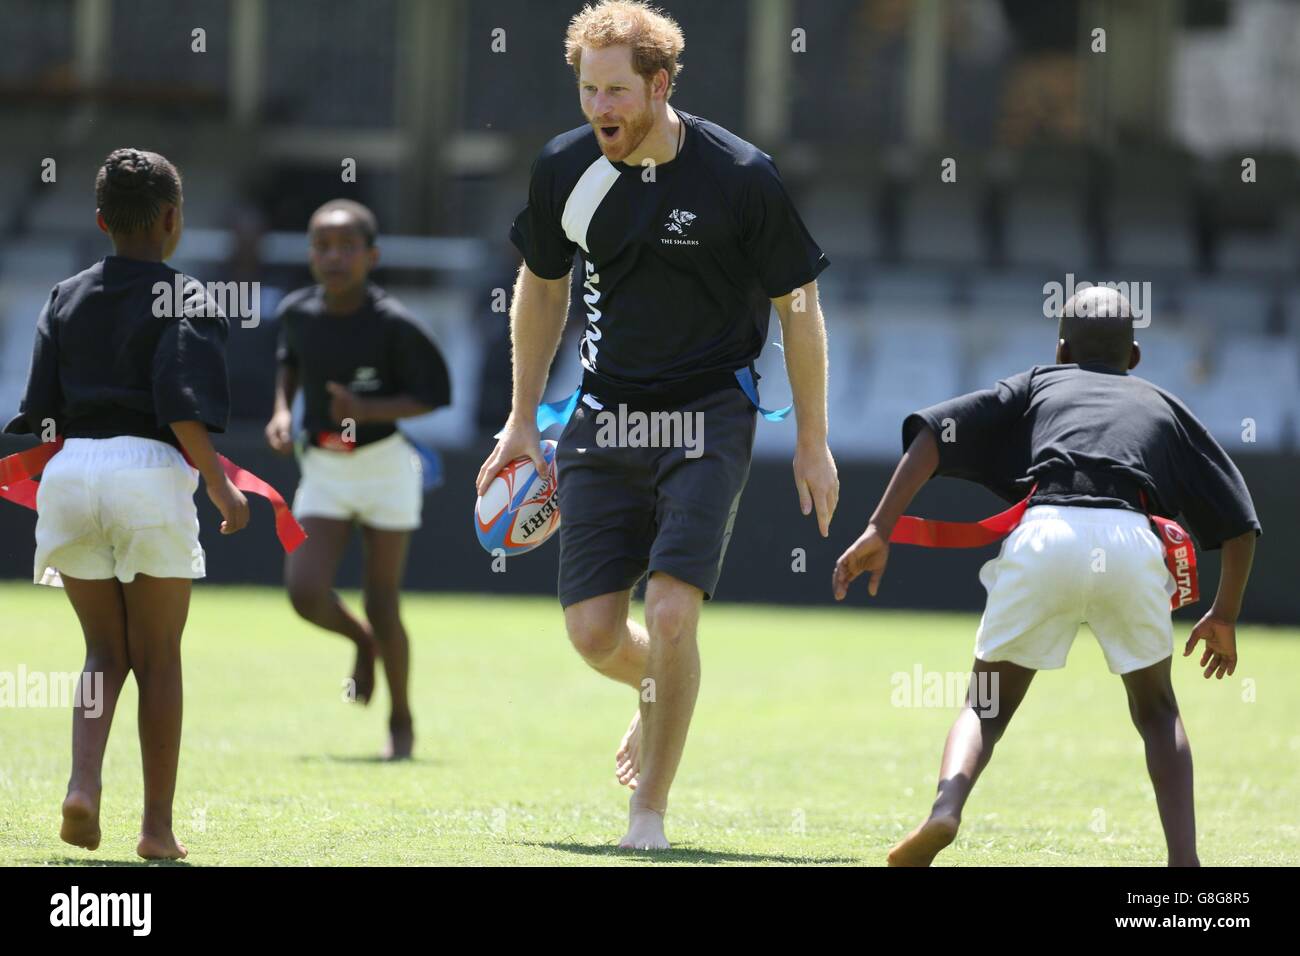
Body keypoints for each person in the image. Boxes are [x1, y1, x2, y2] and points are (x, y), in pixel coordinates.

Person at [476, 0, 839, 850]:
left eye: (617, 91)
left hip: (711, 414)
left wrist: (813, 440)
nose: (601, 108)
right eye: (588, 90)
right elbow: (541, 287)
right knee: (594, 635)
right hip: (603, 413)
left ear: (661, 84)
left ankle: (649, 815)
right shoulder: (566, 169)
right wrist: (521, 421)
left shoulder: (742, 176)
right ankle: (664, 689)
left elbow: (801, 307)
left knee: (674, 614)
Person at [834, 286, 1260, 867]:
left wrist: (881, 527)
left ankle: (945, 811)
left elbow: (935, 434)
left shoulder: (1039, 381)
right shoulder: (1162, 404)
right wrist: (1225, 613)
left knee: (985, 706)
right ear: (1134, 358)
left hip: (1046, 533)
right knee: (1158, 712)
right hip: (1131, 542)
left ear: (1061, 348)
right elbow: (1240, 520)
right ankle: (1184, 869)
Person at [3, 148, 247, 860]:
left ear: (103, 220)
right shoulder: (189, 297)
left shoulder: (63, 295)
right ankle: (156, 830)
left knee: (102, 650)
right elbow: (179, 400)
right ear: (173, 220)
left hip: (72, 473)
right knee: (159, 657)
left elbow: (40, 410)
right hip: (148, 472)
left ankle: (83, 785)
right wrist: (220, 481)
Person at [265, 199, 452, 761]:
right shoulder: (297, 312)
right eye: (322, 245)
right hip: (323, 466)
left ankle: (401, 719)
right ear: (309, 254)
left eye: (347, 247)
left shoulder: (396, 325)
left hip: (385, 467)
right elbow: (288, 361)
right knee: (304, 590)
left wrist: (365, 408)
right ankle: (362, 642)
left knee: (382, 600)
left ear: (371, 256)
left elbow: (436, 396)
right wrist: (281, 411)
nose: (334, 256)